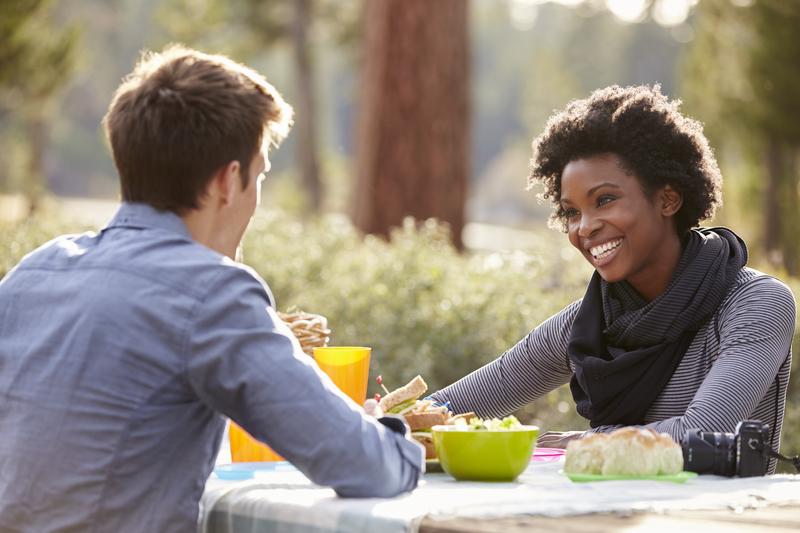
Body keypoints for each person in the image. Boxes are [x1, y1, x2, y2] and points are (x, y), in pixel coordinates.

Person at [0, 46, 422, 532]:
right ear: (230, 180)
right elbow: (367, 465)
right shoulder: (211, 293)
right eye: (259, 174)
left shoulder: (37, 271)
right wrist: (382, 427)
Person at [430, 85, 794, 473]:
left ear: (668, 199)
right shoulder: (589, 323)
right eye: (571, 212)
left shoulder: (755, 303)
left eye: (604, 200)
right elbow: (451, 409)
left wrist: (556, 443)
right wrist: (384, 421)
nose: (584, 227)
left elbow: (699, 433)